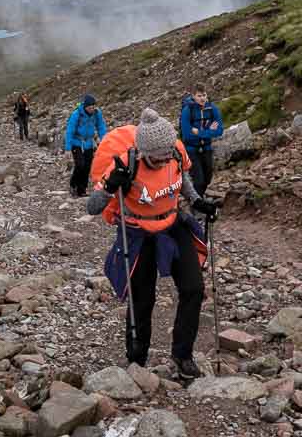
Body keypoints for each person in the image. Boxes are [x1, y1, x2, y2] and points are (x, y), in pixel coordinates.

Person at [92, 108, 220, 378]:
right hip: (138, 233)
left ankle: (183, 356)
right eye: (157, 158)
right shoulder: (125, 165)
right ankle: (137, 359)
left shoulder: (174, 152)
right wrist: (109, 187)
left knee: (194, 288)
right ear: (143, 151)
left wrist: (198, 202)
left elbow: (182, 180)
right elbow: (92, 207)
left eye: (166, 155)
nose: (163, 162)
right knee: (142, 299)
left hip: (173, 224)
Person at [179, 84, 224, 196]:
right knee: (198, 180)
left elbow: (219, 130)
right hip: (191, 149)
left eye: (204, 95)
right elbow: (187, 134)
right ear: (193, 96)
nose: (202, 98)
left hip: (207, 148)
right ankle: (196, 205)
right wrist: (209, 131)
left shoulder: (212, 108)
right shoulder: (187, 111)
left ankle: (198, 199)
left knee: (208, 178)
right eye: (199, 96)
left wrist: (198, 132)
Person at [63, 94, 107, 197]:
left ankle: (82, 190)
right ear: (85, 106)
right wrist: (68, 149)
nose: (92, 109)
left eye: (93, 107)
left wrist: (104, 140)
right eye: (90, 107)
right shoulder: (77, 114)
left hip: (88, 143)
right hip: (77, 143)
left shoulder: (97, 113)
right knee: (80, 165)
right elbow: (70, 131)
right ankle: (73, 185)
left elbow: (101, 127)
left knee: (87, 167)